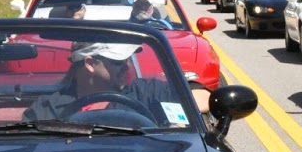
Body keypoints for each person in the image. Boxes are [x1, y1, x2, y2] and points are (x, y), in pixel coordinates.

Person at [24, 41, 208, 122]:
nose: (126, 67)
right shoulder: (48, 107)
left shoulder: (143, 92)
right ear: (90, 63)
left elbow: (204, 97)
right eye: (118, 62)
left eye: (128, 61)